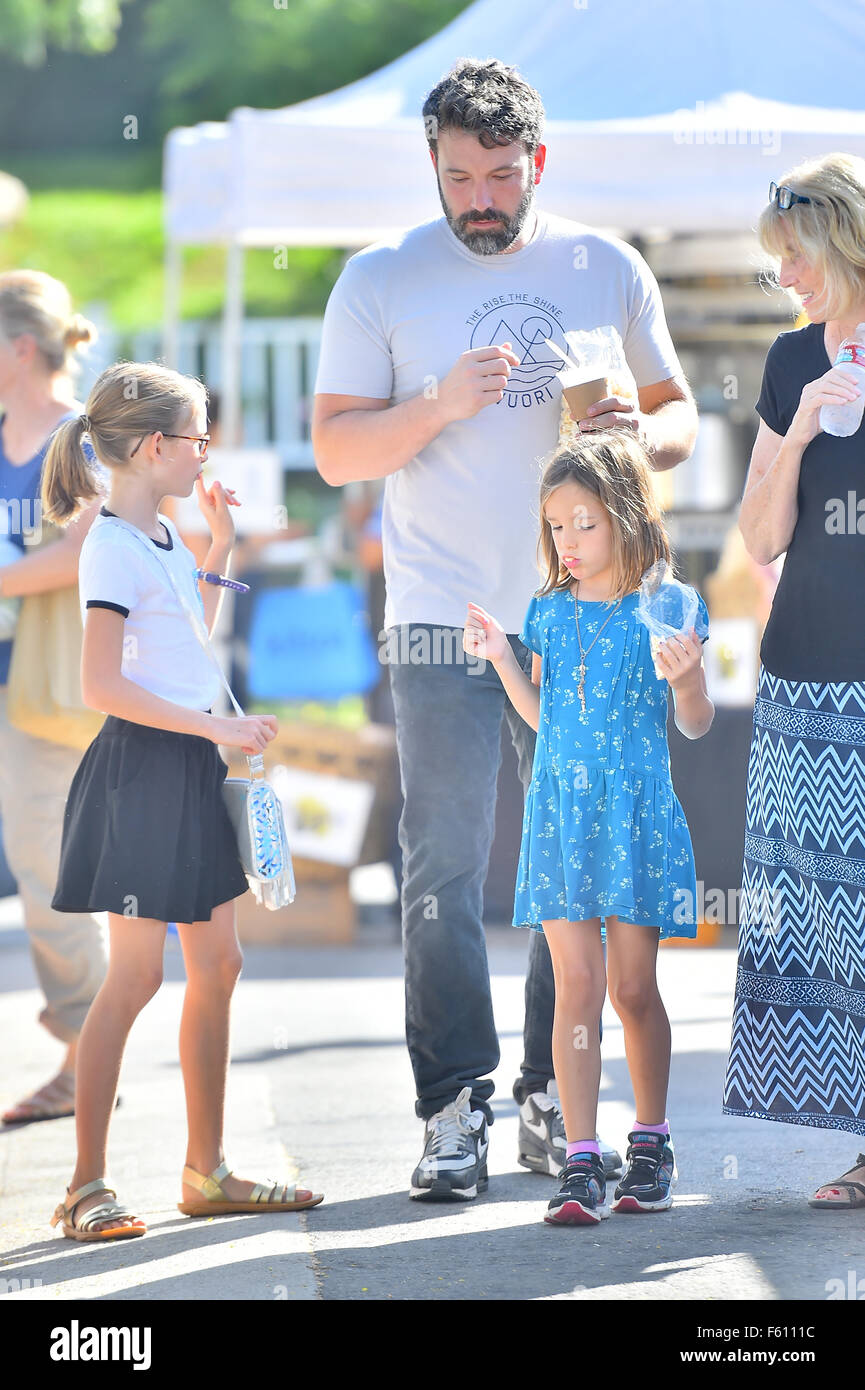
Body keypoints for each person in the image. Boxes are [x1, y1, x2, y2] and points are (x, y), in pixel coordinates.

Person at [312, 57, 698, 1199]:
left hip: (579, 622)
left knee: (565, 865)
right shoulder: (379, 277)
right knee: (441, 867)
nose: (477, 196)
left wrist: (644, 433)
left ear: (539, 161)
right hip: (441, 619)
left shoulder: (605, 264)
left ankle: (546, 1093)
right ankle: (450, 1105)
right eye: (455, 175)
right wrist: (435, 403)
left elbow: (674, 418)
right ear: (430, 167)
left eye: (497, 174)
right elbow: (336, 451)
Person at [40, 361, 323, 1239]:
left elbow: (184, 640)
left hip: (189, 760)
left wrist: (220, 546)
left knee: (220, 965)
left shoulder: (157, 536)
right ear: (158, 447)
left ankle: (207, 1171)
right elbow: (102, 686)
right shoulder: (110, 545)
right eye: (200, 437)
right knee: (134, 976)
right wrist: (218, 733)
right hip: (143, 769)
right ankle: (85, 1185)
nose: (208, 450)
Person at [464, 431, 713, 1223]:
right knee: (575, 986)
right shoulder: (546, 612)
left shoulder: (670, 607)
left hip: (633, 811)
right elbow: (548, 721)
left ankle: (649, 1142)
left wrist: (689, 680)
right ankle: (578, 1158)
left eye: (584, 522)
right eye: (555, 526)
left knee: (633, 989)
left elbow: (697, 724)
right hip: (560, 815)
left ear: (626, 516)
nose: (567, 541)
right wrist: (503, 658)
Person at [723, 153, 865, 1209]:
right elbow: (757, 535)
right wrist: (803, 428)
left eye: (795, 260)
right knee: (823, 920)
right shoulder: (785, 362)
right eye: (776, 268)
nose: (789, 282)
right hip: (805, 675)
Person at [0, 270, 107, 1126]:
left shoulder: (81, 438)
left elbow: (85, 550)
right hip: (15, 692)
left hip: (60, 691)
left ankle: (86, 1058)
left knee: (57, 871)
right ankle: (83, 1055)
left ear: (19, 348)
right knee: (44, 872)